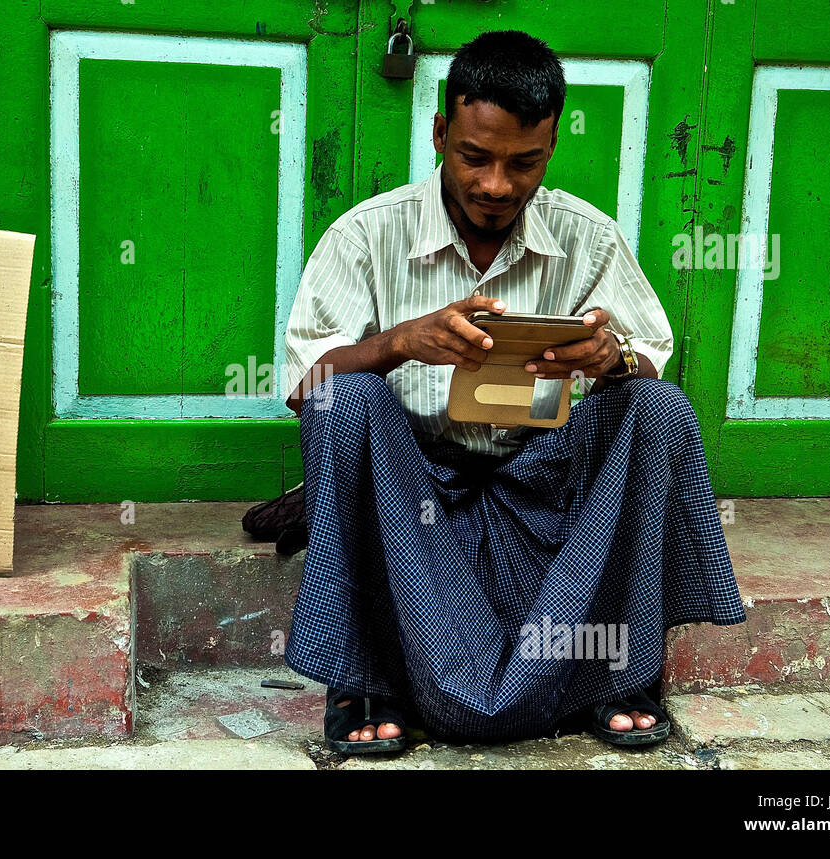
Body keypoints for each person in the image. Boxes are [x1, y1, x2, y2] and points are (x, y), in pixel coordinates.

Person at [281, 30, 745, 752]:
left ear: (551, 147)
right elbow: (304, 384)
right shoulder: (365, 236)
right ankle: (364, 678)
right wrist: (397, 343)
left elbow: (648, 353)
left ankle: (618, 671)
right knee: (345, 401)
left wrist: (609, 357)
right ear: (440, 133)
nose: (496, 185)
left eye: (522, 162)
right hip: (417, 489)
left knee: (657, 408)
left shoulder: (586, 236)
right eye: (474, 156)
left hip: (543, 484)